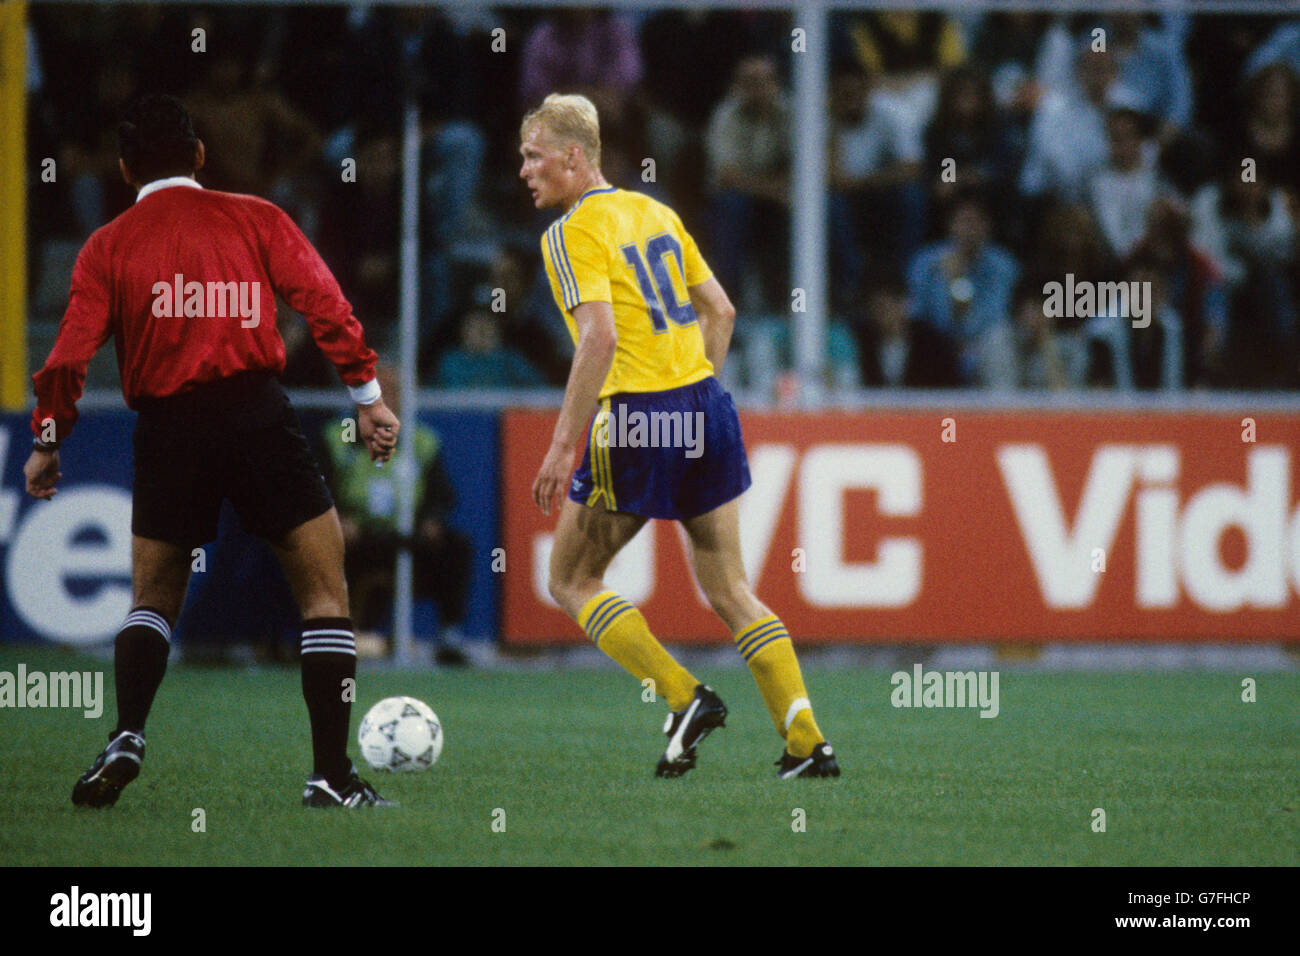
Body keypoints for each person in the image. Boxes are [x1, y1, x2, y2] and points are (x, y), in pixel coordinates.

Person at [23, 94, 400, 809]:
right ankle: (330, 776)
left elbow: (68, 357)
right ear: (200, 156)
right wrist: (368, 396)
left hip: (168, 428)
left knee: (153, 599)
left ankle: (129, 732)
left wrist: (48, 440)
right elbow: (324, 302)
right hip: (256, 414)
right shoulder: (257, 217)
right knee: (324, 593)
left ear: (128, 168)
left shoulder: (108, 245)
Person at [519, 93, 838, 779]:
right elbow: (720, 309)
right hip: (704, 406)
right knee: (730, 588)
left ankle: (683, 694)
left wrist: (559, 445)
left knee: (570, 578)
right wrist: (692, 392)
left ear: (574, 157)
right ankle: (807, 740)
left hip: (635, 415)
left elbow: (598, 337)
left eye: (533, 155)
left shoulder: (570, 232)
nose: (523, 170)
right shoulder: (655, 211)